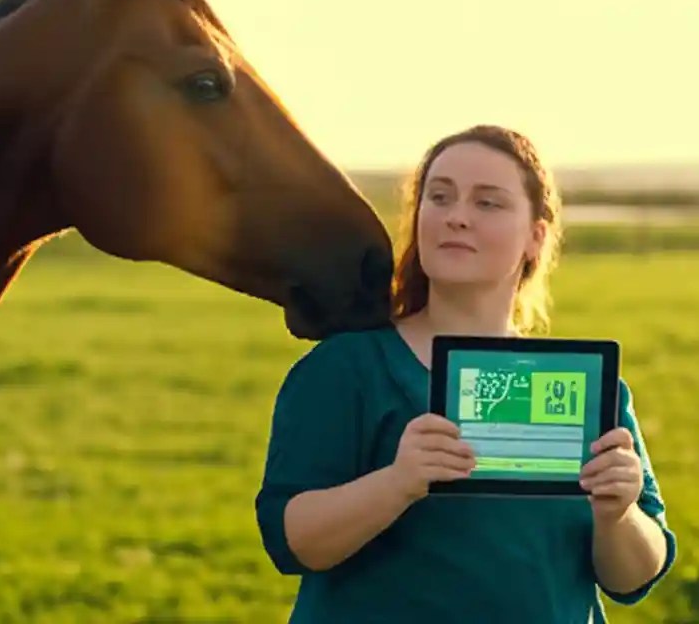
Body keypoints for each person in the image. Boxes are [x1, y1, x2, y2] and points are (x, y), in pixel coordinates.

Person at [255, 124, 677, 623]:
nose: (456, 217)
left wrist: (618, 513)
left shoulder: (585, 388)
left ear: (535, 238)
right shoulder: (347, 368)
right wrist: (398, 483)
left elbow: (634, 576)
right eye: (440, 197)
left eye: (488, 203)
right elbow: (292, 541)